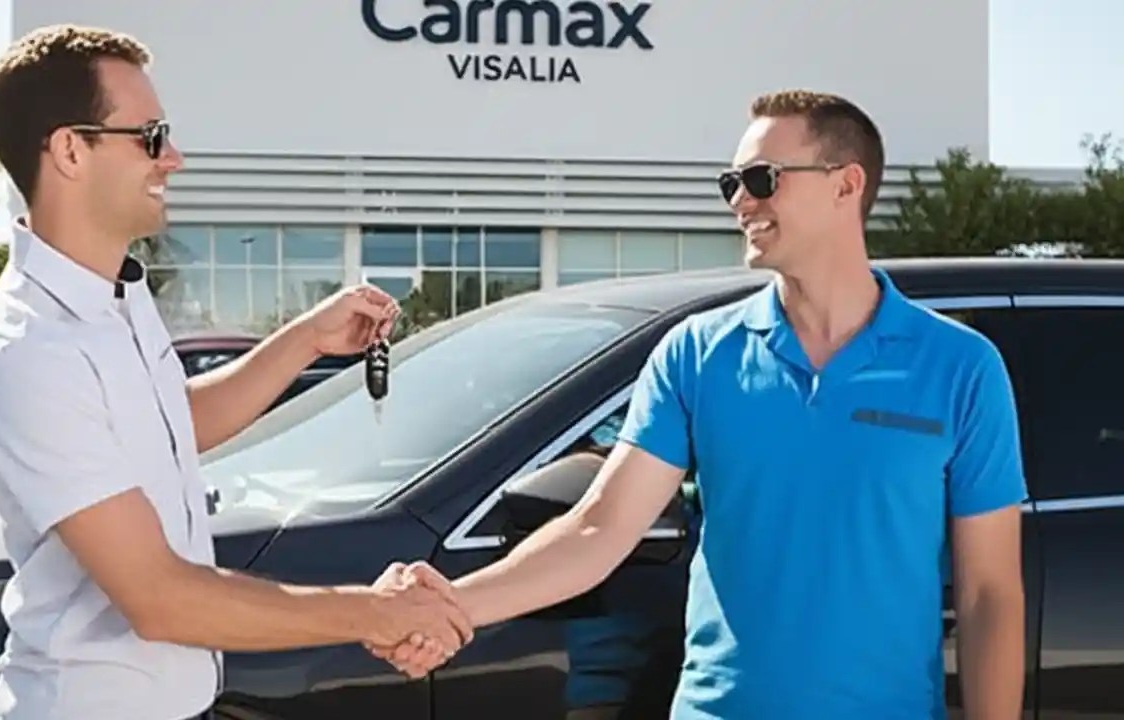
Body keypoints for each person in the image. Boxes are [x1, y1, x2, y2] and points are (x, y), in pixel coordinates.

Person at [370, 90, 1028, 718]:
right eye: (731, 183)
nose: (740, 200)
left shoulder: (960, 368)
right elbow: (600, 529)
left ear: (845, 185)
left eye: (762, 178)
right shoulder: (696, 354)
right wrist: (453, 603)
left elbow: (988, 595)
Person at [0, 24, 470, 720]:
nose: (174, 158)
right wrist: (374, 614)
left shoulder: (117, 294)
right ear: (70, 150)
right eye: (150, 136)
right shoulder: (29, 352)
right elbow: (161, 599)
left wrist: (304, 341)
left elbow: (175, 423)